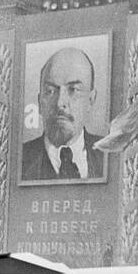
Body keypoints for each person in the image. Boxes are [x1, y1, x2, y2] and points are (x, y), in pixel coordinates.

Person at [21, 47, 106, 181]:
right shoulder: (19, 160)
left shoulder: (110, 155)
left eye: (73, 90)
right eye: (50, 91)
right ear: (39, 102)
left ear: (91, 100)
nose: (60, 103)